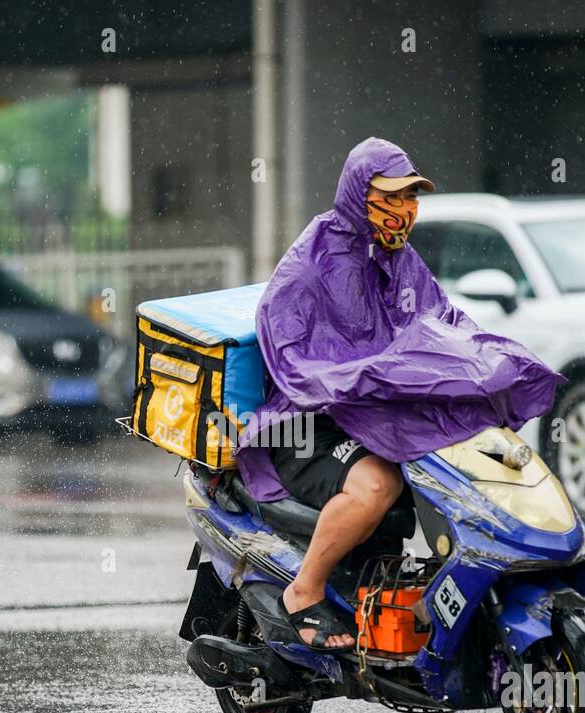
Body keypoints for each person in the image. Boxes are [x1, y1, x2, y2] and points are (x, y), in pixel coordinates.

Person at [235, 137, 562, 651]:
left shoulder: (403, 260)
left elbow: (443, 324)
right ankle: (305, 590)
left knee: (461, 471)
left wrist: (483, 359)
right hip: (305, 423)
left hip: (380, 414)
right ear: (358, 195)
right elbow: (290, 361)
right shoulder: (309, 264)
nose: (404, 210)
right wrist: (363, 377)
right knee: (376, 487)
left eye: (412, 198)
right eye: (392, 197)